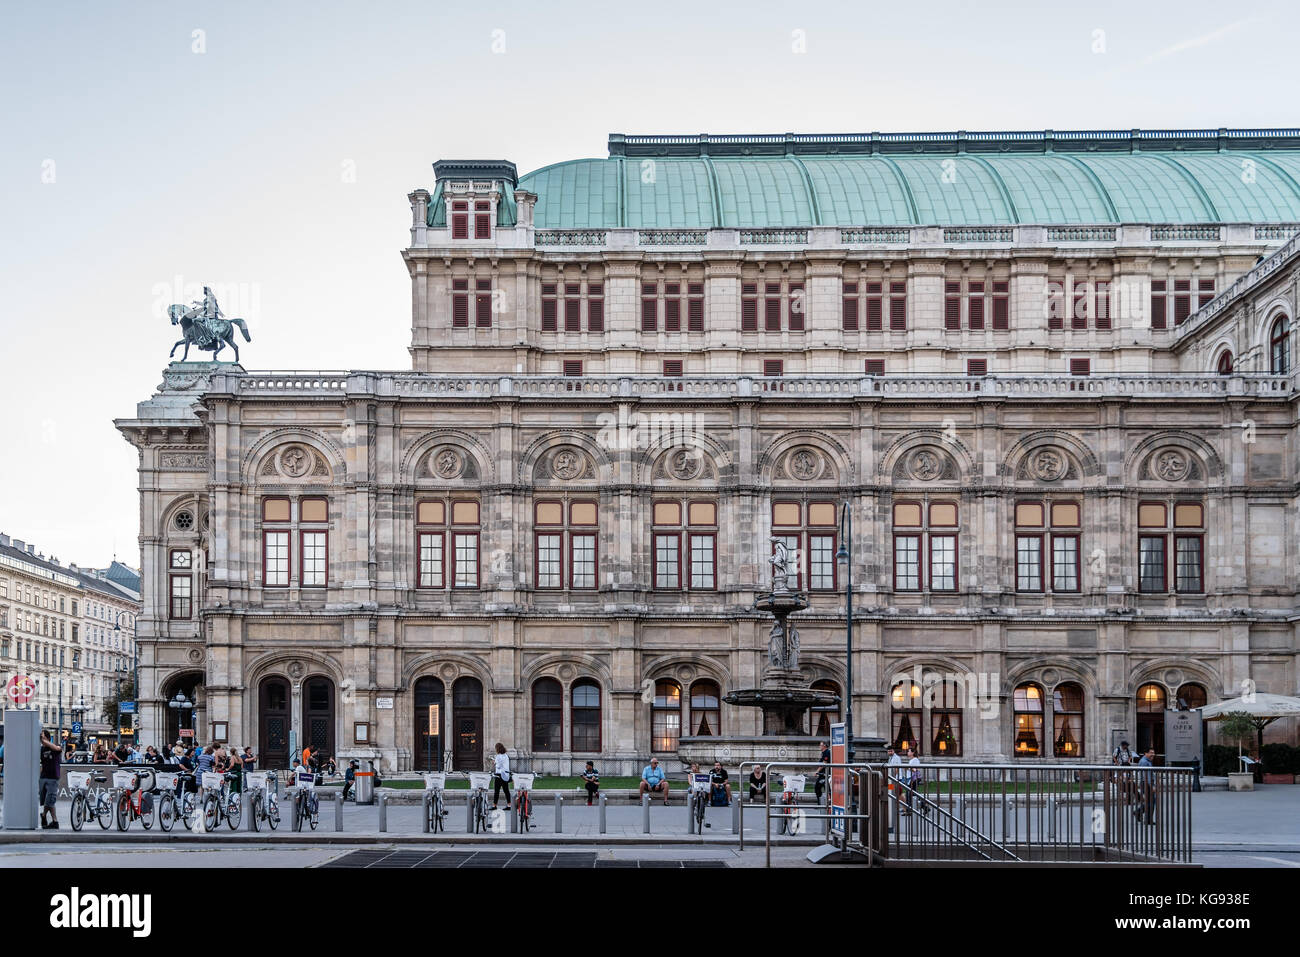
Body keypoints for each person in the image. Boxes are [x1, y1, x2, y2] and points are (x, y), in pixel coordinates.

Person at [38, 733, 62, 829]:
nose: (41, 739)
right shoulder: (41, 749)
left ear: (48, 738)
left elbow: (57, 749)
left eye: (43, 737)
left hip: (53, 778)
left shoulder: (56, 747)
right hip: (43, 777)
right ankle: (55, 822)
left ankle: (43, 815)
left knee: (50, 800)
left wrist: (44, 741)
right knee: (47, 801)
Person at [1136, 748, 1157, 824]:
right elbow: (1146, 776)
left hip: (1146, 783)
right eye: (1151, 753)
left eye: (1153, 753)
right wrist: (1152, 786)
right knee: (1151, 802)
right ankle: (1147, 819)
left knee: (1150, 802)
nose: (1153, 754)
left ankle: (1138, 813)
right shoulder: (1144, 762)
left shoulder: (1147, 761)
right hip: (1147, 784)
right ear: (1146, 753)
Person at [490, 742, 511, 810]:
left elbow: (498, 766)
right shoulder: (506, 756)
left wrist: (494, 762)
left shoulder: (498, 756)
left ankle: (494, 805)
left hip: (499, 774)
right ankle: (509, 804)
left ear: (497, 749)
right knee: (506, 790)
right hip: (505, 774)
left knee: (497, 791)